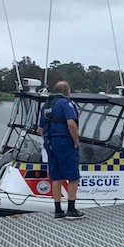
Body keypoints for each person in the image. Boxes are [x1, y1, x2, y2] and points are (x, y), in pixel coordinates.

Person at [40, 81, 85, 220]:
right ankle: (71, 209)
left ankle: (58, 211)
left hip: (50, 143)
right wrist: (75, 141)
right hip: (64, 142)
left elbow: (40, 129)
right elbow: (71, 123)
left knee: (56, 177)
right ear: (67, 91)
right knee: (73, 176)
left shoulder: (46, 105)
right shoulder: (66, 103)